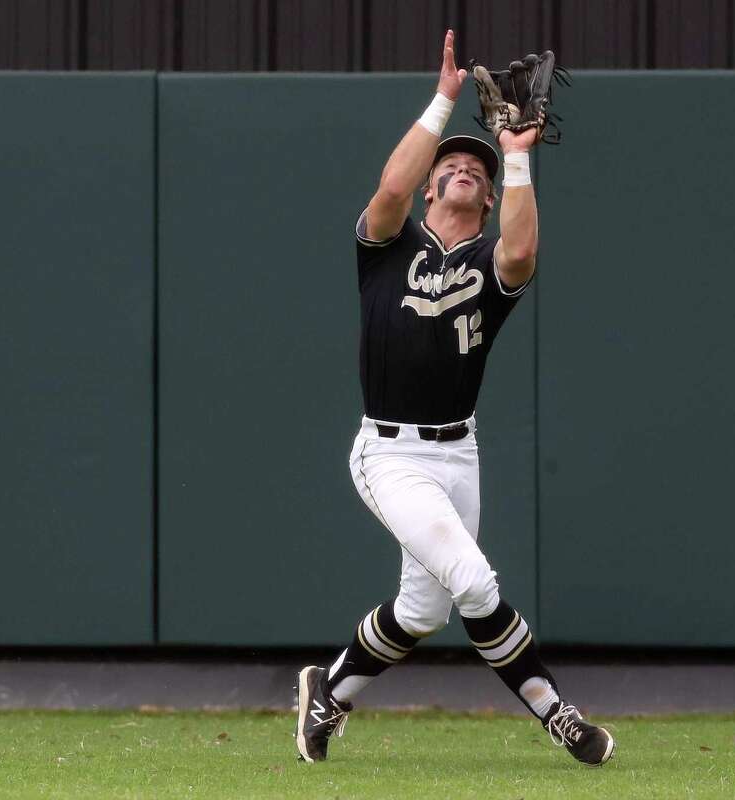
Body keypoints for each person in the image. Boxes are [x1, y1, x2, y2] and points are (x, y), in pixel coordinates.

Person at [295, 29, 614, 767]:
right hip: (390, 452)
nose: (462, 168)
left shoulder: (488, 259)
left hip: (457, 451)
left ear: (490, 193)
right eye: (451, 166)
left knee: (424, 608)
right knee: (473, 579)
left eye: (477, 166)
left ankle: (329, 692)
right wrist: (443, 102)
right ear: (432, 187)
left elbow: (522, 251)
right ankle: (559, 714)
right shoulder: (387, 247)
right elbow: (389, 189)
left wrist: (519, 153)